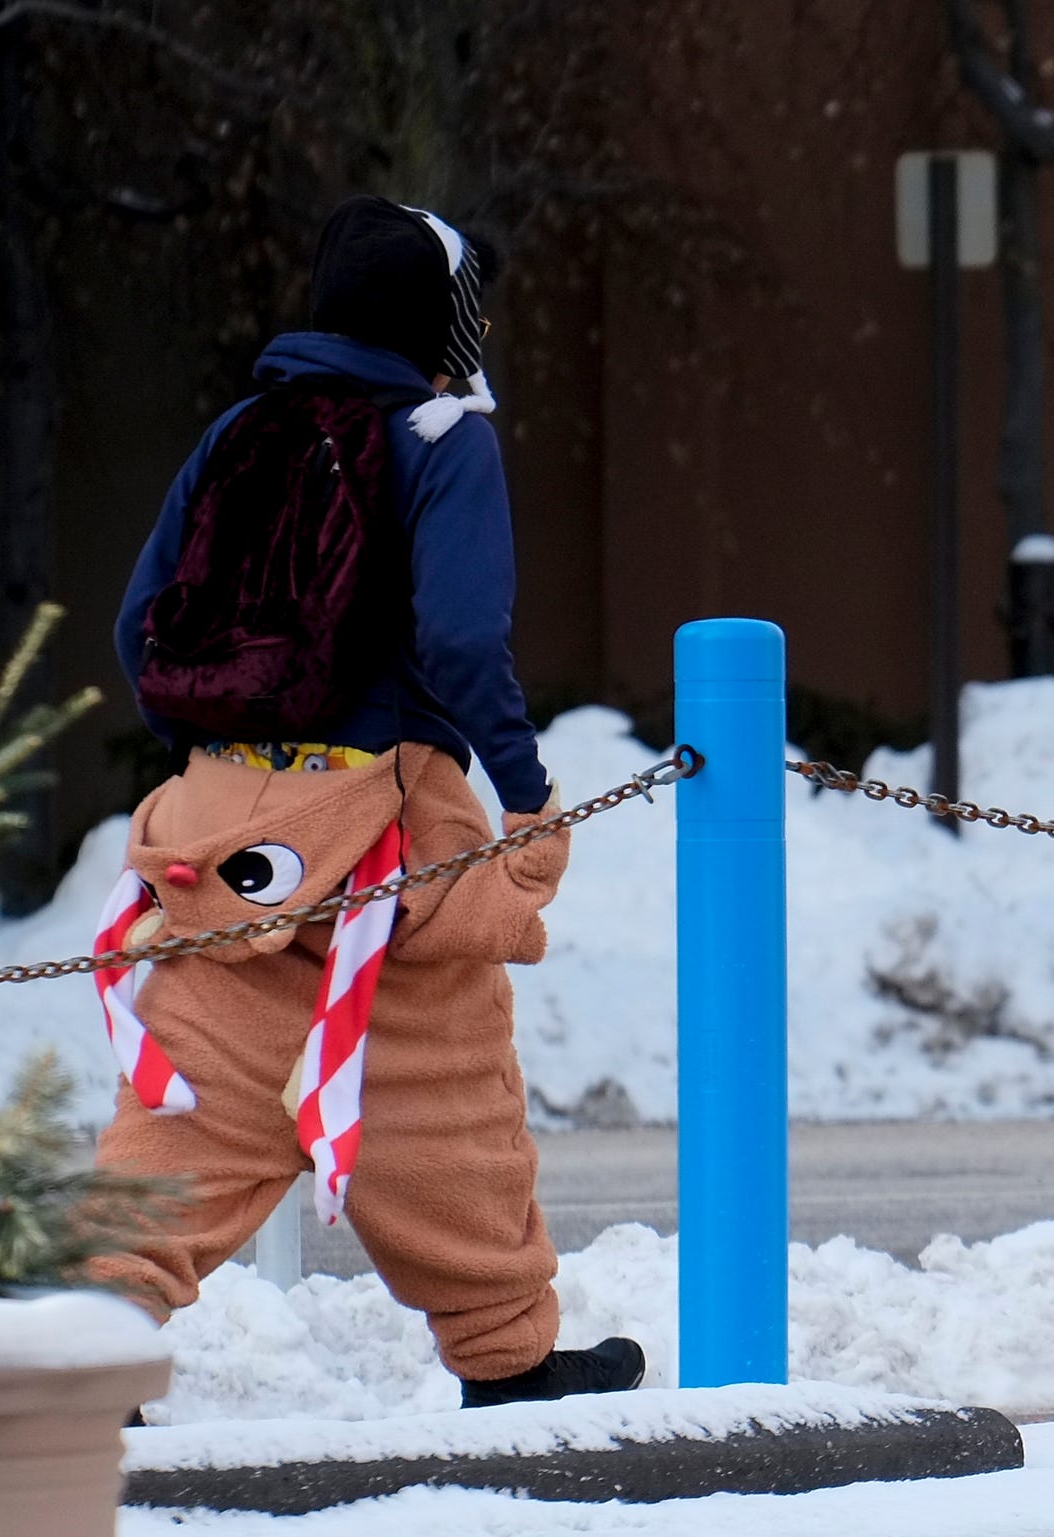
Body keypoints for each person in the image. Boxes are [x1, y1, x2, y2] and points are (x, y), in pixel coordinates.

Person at [89, 195, 641, 1409]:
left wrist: (226, 764)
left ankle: (92, 1336)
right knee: (443, 1097)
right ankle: (510, 1357)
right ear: (441, 315)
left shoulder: (240, 432)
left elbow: (140, 629)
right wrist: (525, 787)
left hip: (222, 829)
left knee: (191, 1098)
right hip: (391, 829)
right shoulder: (443, 439)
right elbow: (454, 638)